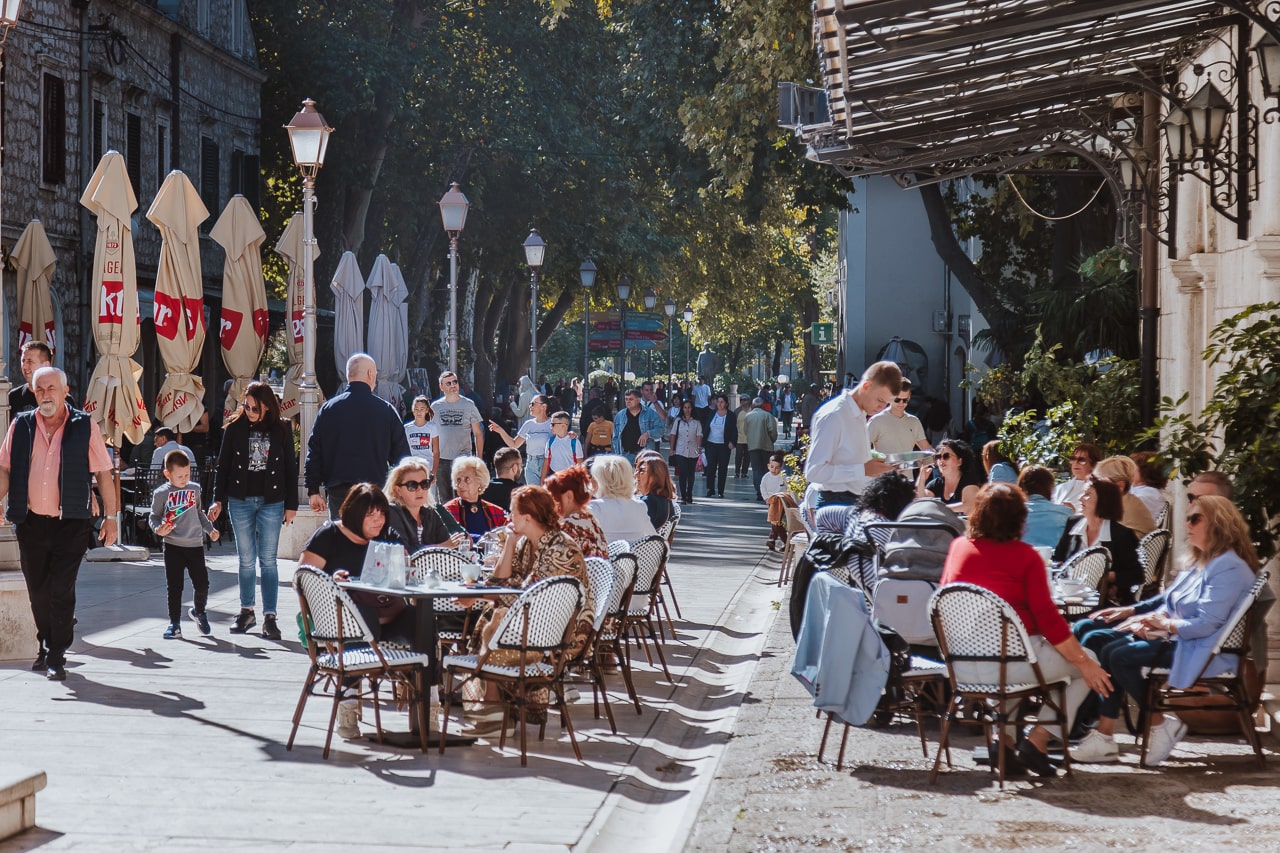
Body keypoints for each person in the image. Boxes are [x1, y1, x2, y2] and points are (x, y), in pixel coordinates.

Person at [1071, 495, 1260, 766]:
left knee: (1116, 654)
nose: (1188, 524)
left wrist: (1160, 624)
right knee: (1097, 636)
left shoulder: (1228, 567)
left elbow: (1205, 623)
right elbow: (1170, 599)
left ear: (1218, 524)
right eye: (1188, 518)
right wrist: (1136, 613)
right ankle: (1105, 733)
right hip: (1181, 638)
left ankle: (1153, 724)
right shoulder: (1204, 560)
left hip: (1200, 648)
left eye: (1195, 518)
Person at [941, 483, 1113, 778]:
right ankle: (1039, 739)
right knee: (1088, 669)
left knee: (1016, 659)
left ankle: (1003, 741)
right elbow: (1048, 619)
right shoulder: (1026, 556)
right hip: (1014, 663)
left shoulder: (958, 548)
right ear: (1020, 519)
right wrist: (1083, 662)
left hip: (963, 665)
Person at [0, 366, 118, 681]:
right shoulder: (21, 425)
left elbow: (104, 474)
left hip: (72, 522)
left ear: (65, 391)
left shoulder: (84, 425)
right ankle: (46, 640)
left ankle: (56, 653)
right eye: (40, 390)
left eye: (51, 388)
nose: (45, 395)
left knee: (60, 589)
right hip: (31, 522)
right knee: (37, 590)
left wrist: (111, 517)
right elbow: (6, 470)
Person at [469, 485, 593, 732]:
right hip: (534, 622)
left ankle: (493, 709)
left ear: (528, 517)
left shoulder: (561, 549)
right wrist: (510, 543)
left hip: (561, 635)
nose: (508, 517)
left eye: (513, 512)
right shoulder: (527, 542)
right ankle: (493, 710)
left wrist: (478, 597)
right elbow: (500, 582)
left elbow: (533, 600)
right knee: (494, 620)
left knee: (496, 625)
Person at [299, 484, 414, 741]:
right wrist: (330, 582)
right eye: (371, 515)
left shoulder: (387, 536)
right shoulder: (329, 535)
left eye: (382, 514)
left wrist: (401, 562)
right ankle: (348, 705)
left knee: (422, 623)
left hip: (390, 616)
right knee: (360, 618)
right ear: (354, 514)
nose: (378, 520)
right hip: (339, 624)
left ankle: (430, 702)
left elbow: (406, 567)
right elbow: (304, 581)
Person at [208, 381, 299, 638]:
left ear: (267, 407)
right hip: (240, 500)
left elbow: (291, 470)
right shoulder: (234, 429)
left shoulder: (282, 428)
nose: (249, 412)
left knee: (268, 560)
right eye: (246, 406)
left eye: (255, 408)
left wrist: (291, 505)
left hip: (272, 501)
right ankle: (246, 610)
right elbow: (223, 466)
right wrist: (218, 500)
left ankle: (270, 616)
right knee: (246, 560)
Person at [305, 353, 411, 519]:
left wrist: (313, 490)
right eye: (375, 374)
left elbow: (314, 451)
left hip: (339, 492)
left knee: (341, 541)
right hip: (374, 491)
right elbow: (402, 457)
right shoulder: (386, 410)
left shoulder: (328, 409)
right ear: (370, 374)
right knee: (373, 543)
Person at [804, 361, 901, 507]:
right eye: (880, 400)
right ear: (866, 386)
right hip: (836, 503)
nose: (882, 408)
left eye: (887, 404)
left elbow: (851, 460)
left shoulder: (859, 413)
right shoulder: (834, 415)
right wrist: (863, 470)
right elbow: (813, 472)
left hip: (854, 501)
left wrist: (879, 470)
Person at [149, 451, 219, 640]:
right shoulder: (161, 494)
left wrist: (210, 530)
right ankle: (175, 624)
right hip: (172, 546)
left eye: (187, 475)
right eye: (180, 476)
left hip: (195, 545)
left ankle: (199, 611)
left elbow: (200, 513)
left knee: (202, 583)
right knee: (175, 587)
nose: (184, 479)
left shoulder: (194, 489)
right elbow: (153, 517)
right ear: (167, 474)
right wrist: (158, 529)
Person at [1053, 475, 1142, 604]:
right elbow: (1059, 558)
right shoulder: (1073, 524)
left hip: (1106, 601)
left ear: (1103, 500)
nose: (1080, 498)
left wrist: (1107, 577)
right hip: (1071, 598)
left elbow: (1137, 575)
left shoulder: (1121, 534)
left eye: (1087, 494)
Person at [382, 457, 465, 552]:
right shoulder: (392, 512)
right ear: (398, 490)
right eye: (412, 485)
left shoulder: (430, 513)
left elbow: (449, 542)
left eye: (424, 484)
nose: (420, 490)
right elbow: (404, 552)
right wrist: (441, 547)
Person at [431, 370, 485, 503]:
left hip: (463, 459)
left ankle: (464, 523)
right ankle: (447, 524)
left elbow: (478, 433)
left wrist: (479, 459)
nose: (452, 385)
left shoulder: (468, 404)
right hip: (441, 459)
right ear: (441, 387)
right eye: (448, 383)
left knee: (464, 496)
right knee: (444, 499)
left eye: (455, 382)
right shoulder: (435, 407)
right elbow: (430, 434)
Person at [587, 454, 656, 544]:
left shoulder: (595, 507)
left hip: (604, 556)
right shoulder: (640, 506)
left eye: (593, 476)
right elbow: (654, 540)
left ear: (600, 480)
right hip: (634, 557)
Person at [488, 394, 554, 485]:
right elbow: (514, 444)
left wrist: (571, 435)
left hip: (548, 464)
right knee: (534, 496)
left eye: (533, 403)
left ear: (544, 406)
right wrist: (500, 430)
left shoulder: (553, 423)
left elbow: (563, 438)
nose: (530, 406)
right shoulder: (528, 424)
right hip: (531, 465)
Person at [545, 466, 609, 559]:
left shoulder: (568, 527)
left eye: (553, 497)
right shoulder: (589, 518)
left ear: (569, 496)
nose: (550, 503)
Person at [443, 456, 508, 541]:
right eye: (458, 480)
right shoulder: (448, 511)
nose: (461, 485)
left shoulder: (496, 511)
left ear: (479, 482)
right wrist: (484, 538)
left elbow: (509, 536)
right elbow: (450, 539)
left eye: (467, 479)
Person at [915, 438, 983, 515]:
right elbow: (922, 503)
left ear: (959, 462)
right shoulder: (935, 484)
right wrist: (922, 478)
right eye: (938, 457)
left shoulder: (969, 482)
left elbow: (970, 506)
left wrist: (938, 509)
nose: (941, 460)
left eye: (946, 456)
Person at [1095, 456, 1157, 537]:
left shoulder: (1118, 507)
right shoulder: (1126, 500)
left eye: (1100, 482)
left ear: (1120, 486)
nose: (1094, 486)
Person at [867, 378, 931, 455]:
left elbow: (926, 448)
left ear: (909, 397)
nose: (901, 403)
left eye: (905, 400)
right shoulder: (877, 420)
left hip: (908, 467)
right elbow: (861, 448)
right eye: (897, 400)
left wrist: (938, 456)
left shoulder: (914, 421)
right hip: (884, 466)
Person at [1017, 465, 1074, 549]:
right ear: (1051, 488)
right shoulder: (1067, 513)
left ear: (1021, 488)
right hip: (1056, 560)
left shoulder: (1012, 514)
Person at [740, 397, 779, 501]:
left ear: (753, 406)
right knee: (767, 469)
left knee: (756, 470)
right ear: (762, 406)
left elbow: (745, 431)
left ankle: (759, 492)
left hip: (753, 447)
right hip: (766, 446)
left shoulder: (748, 417)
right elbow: (773, 431)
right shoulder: (767, 416)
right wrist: (772, 440)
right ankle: (767, 491)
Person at [611, 388, 664, 464]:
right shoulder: (620, 416)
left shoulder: (650, 414)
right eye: (626, 399)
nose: (628, 401)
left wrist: (648, 434)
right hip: (625, 455)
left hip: (645, 455)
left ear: (639, 400)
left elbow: (660, 430)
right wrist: (618, 454)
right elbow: (615, 437)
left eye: (631, 399)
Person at [9, 341, 61, 414]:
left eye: (30, 361)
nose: (24, 366)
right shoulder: (13, 397)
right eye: (23, 361)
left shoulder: (62, 398)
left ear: (46, 365)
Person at [668, 399, 703, 505]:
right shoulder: (678, 421)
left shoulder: (696, 422)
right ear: (682, 409)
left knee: (691, 473)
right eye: (685, 407)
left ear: (692, 409)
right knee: (683, 473)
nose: (687, 410)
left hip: (693, 450)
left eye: (689, 407)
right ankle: (683, 495)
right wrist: (672, 449)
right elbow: (673, 435)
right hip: (680, 450)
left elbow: (699, 435)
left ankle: (689, 494)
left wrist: (699, 447)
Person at [703, 394, 737, 499]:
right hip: (711, 444)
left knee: (722, 468)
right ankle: (710, 489)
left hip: (724, 445)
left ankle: (721, 490)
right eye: (718, 402)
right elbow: (706, 428)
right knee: (710, 467)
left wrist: (732, 442)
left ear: (726, 403)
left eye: (722, 402)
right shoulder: (712, 413)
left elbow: (734, 430)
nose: (719, 404)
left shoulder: (731, 415)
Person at [633, 453, 677, 531]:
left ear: (655, 477)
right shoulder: (666, 501)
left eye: (642, 470)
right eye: (636, 470)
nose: (636, 474)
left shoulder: (647, 502)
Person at [761, 455, 796, 550]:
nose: (774, 470)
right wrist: (766, 498)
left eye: (777, 468)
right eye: (772, 467)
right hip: (770, 500)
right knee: (775, 521)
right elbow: (762, 487)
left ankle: (773, 539)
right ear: (768, 466)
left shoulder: (783, 477)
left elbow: (789, 488)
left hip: (781, 501)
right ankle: (784, 541)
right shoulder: (766, 477)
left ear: (781, 468)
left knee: (775, 520)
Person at [1053, 442, 1101, 511]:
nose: (1076, 463)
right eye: (1073, 459)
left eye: (1081, 460)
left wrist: (1074, 512)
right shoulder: (1060, 488)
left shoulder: (1098, 490)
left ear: (1093, 465)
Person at [403, 395, 439, 477]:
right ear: (412, 410)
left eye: (422, 409)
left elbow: (436, 452)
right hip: (412, 468)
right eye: (416, 409)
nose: (419, 412)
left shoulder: (432, 427)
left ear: (426, 410)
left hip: (428, 468)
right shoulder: (407, 428)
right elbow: (405, 451)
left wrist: (434, 472)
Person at [542, 411, 583, 480]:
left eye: (553, 424)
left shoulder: (574, 442)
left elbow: (580, 463)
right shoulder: (550, 441)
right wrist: (542, 481)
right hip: (553, 476)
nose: (550, 427)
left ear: (563, 425)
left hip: (569, 478)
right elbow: (546, 463)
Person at [1129, 450, 1169, 520]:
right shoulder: (1138, 489)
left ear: (1145, 471)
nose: (1131, 470)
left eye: (1134, 467)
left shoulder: (1149, 494)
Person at [483, 447, 523, 513]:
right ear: (514, 468)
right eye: (521, 465)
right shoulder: (520, 492)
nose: (521, 469)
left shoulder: (483, 489)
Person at [734, 396, 754, 479]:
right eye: (741, 399)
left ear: (749, 401)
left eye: (744, 399)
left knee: (747, 456)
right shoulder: (737, 411)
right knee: (738, 456)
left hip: (749, 438)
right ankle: (737, 472)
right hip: (739, 437)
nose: (743, 401)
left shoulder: (752, 411)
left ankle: (744, 472)